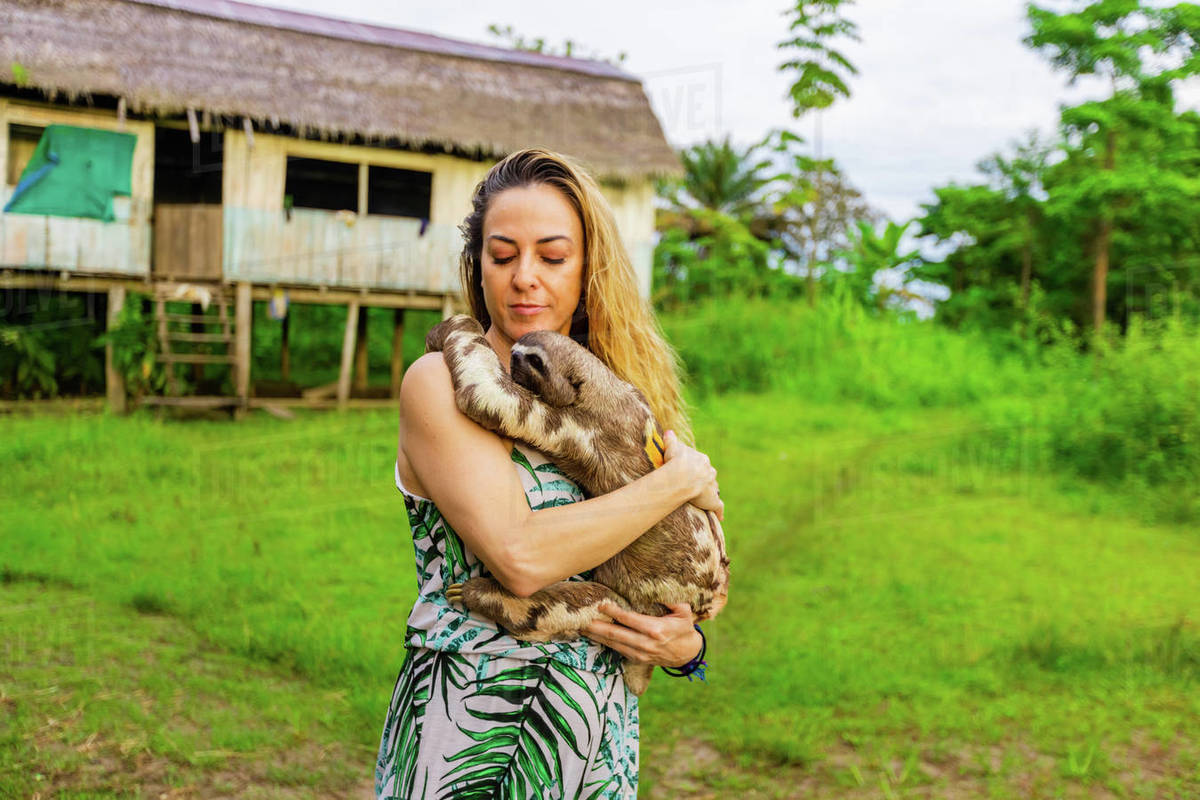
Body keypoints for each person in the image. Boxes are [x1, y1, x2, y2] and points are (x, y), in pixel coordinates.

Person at [374, 148, 723, 799]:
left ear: (589, 267)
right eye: (502, 256)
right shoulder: (439, 382)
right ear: (477, 265)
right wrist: (676, 481)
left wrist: (684, 647)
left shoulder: (613, 395)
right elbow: (520, 556)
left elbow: (679, 566)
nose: (524, 278)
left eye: (552, 257)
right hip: (474, 728)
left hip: (595, 729)